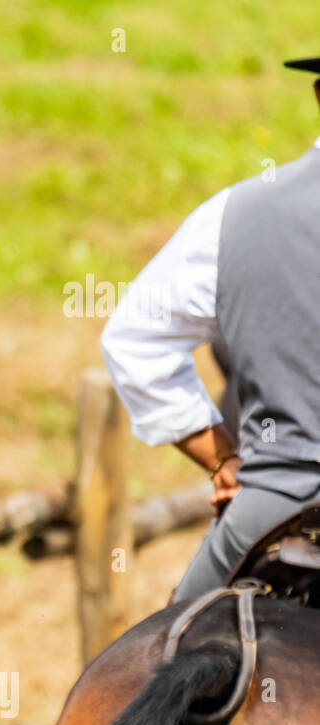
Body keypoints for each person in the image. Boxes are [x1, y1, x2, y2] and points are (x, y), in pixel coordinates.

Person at [101, 52, 320, 602]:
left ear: (319, 96)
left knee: (162, 658)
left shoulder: (236, 215)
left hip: (278, 507)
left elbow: (134, 340)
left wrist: (224, 460)